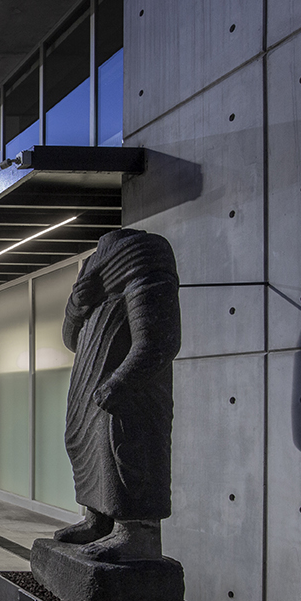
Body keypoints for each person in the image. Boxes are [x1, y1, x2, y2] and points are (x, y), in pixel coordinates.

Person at [55, 228, 181, 561]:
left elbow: (160, 337)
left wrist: (122, 380)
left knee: (121, 445)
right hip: (89, 382)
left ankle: (137, 531)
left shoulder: (145, 254)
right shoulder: (92, 268)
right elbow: (70, 339)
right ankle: (97, 518)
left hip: (128, 388)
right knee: (82, 443)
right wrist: (77, 306)